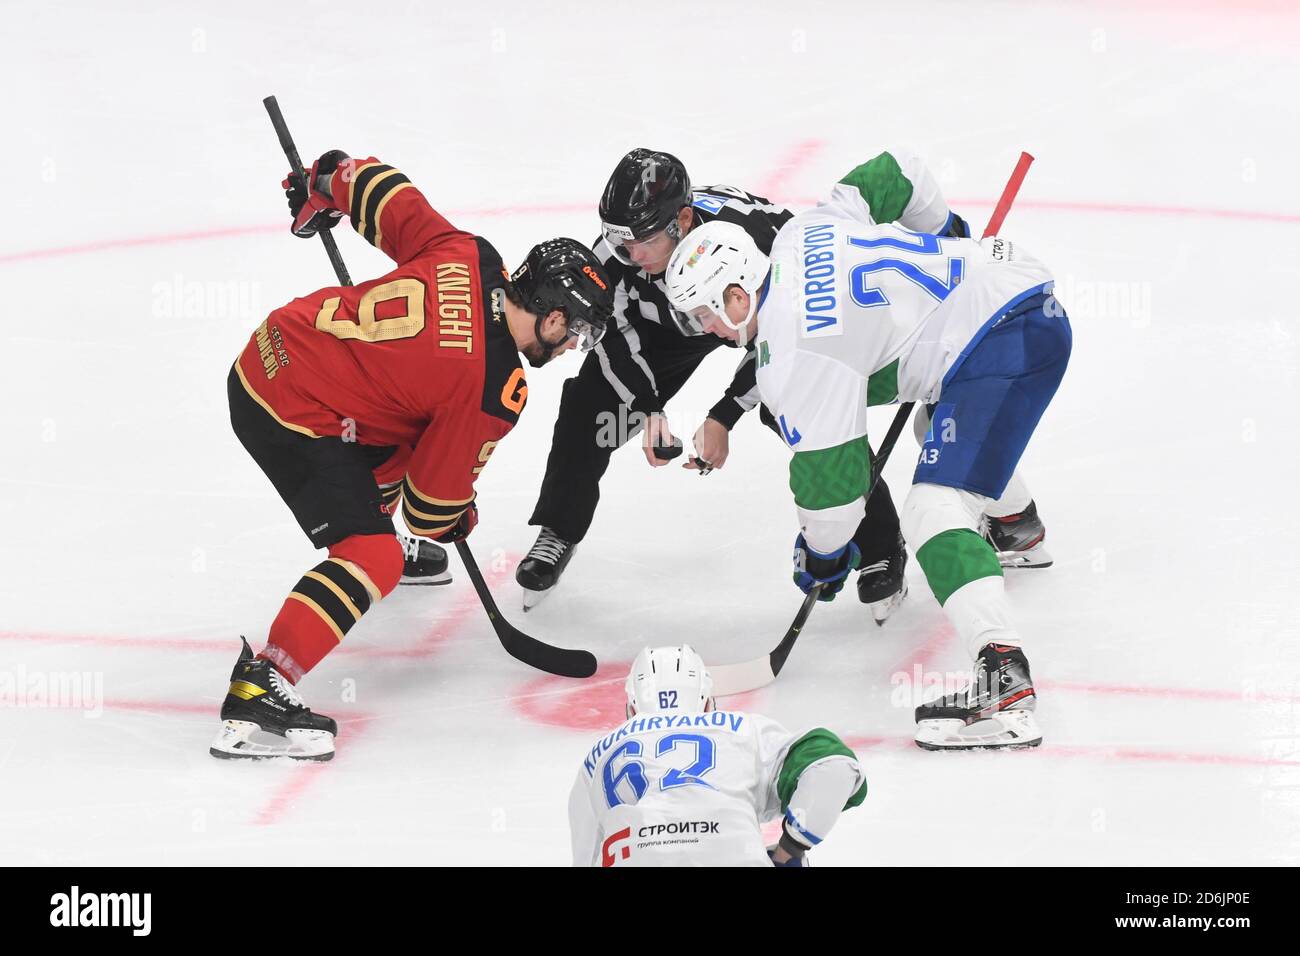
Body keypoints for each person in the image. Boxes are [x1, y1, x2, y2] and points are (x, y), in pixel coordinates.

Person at [210, 149, 612, 760]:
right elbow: (429, 511)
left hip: (275, 343)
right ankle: (261, 684)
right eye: (577, 333)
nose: (573, 348)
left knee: (407, 426)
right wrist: (458, 511)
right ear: (554, 317)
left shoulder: (472, 257)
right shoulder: (495, 389)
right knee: (374, 554)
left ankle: (369, 522)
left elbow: (386, 196)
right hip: (287, 409)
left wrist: (326, 179)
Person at [664, 153, 1072, 750]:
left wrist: (824, 556)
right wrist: (946, 233)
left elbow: (835, 491)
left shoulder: (797, 351)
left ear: (736, 293)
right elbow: (895, 171)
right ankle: (1015, 527)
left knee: (935, 508)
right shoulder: (803, 233)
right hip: (1008, 296)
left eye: (705, 314)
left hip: (1006, 337)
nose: (708, 330)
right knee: (938, 428)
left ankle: (1004, 686)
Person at [519, 148, 919, 624]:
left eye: (639, 243)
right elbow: (613, 338)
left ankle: (880, 542)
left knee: (809, 406)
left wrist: (724, 413)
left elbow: (793, 338)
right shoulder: (619, 254)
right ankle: (559, 528)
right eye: (616, 240)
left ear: (682, 220)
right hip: (664, 331)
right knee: (591, 405)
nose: (628, 256)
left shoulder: (757, 239)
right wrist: (647, 408)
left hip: (759, 317)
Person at [568, 645, 866, 866]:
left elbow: (585, 856)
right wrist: (791, 849)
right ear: (708, 703)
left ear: (631, 709)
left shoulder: (600, 753)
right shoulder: (744, 731)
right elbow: (833, 765)